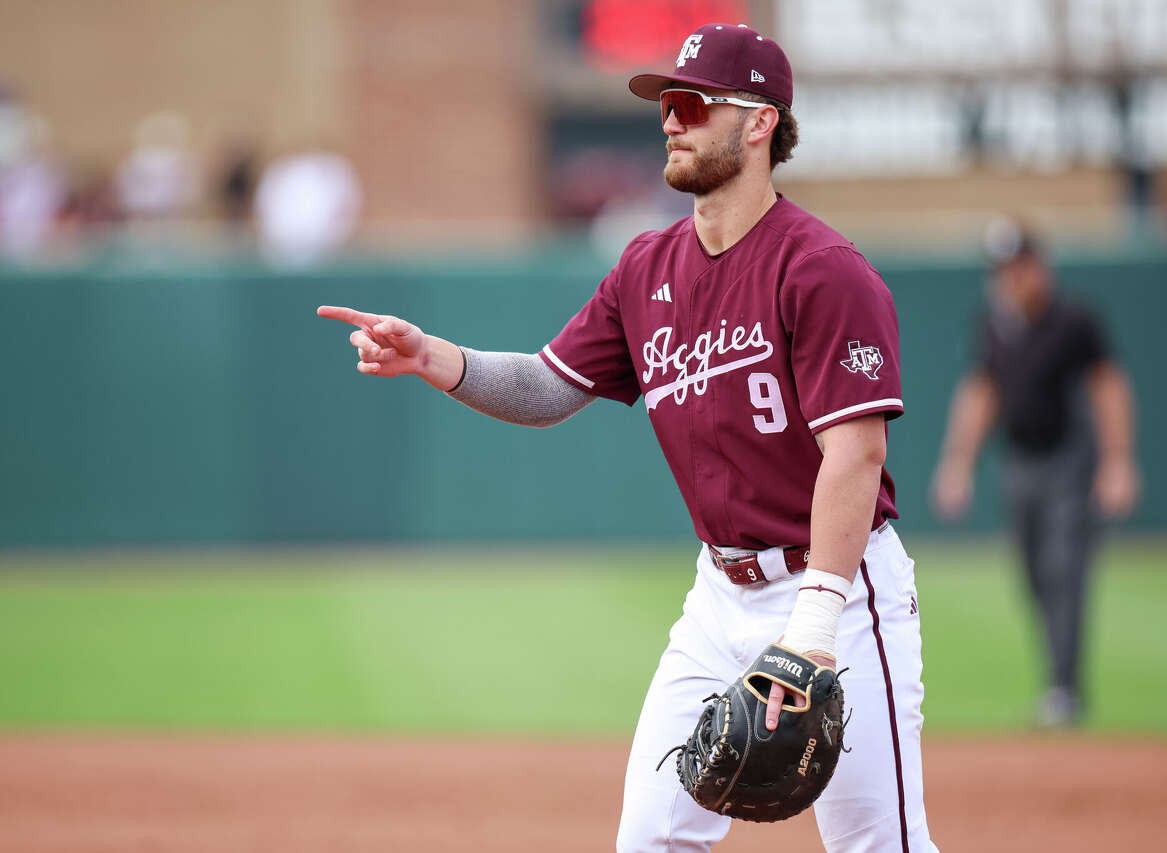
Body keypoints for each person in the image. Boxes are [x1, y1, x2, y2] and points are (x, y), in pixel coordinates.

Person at [319, 23, 938, 852]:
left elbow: (857, 453)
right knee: (650, 841)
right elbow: (546, 387)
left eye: (691, 103)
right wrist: (433, 356)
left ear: (759, 123)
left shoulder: (821, 268)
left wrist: (814, 630)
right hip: (718, 595)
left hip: (836, 591)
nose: (670, 120)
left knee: (878, 847)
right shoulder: (647, 268)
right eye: (664, 105)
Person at [931, 217, 1140, 728]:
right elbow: (982, 393)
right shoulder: (995, 324)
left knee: (1064, 569)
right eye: (1002, 270)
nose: (1011, 279)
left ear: (1039, 267)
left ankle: (1065, 690)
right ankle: (1058, 680)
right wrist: (958, 463)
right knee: (1033, 574)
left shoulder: (1074, 320)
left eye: (1019, 268)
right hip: (1020, 463)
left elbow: (1108, 388)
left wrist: (1117, 461)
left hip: (1069, 460)